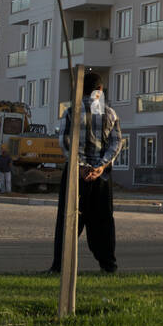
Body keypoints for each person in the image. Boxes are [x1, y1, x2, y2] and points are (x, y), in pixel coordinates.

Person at [49, 71, 123, 275]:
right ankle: (108, 265)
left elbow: (65, 142)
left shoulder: (71, 112)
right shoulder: (111, 113)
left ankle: (60, 266)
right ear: (100, 90)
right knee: (103, 221)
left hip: (75, 176)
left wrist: (80, 166)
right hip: (101, 178)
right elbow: (116, 143)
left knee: (68, 220)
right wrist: (100, 166)